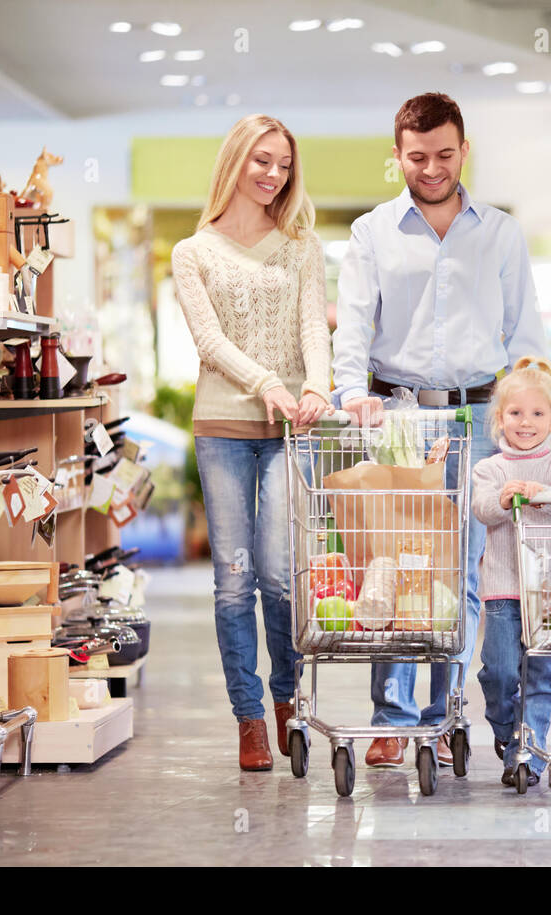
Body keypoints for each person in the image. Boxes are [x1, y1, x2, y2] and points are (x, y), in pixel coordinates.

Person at [332, 92, 546, 769]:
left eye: (444, 155)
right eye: (417, 157)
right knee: (392, 563)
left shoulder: (501, 233)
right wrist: (350, 393)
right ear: (397, 155)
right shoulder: (371, 232)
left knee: (464, 571)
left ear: (464, 151)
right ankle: (392, 719)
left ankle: (444, 712)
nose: (431, 169)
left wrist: (532, 418)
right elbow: (353, 324)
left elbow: (525, 333)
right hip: (397, 414)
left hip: (481, 417)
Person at [172, 115, 332, 772]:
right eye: (262, 160)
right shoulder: (193, 252)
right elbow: (209, 342)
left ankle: (287, 699)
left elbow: (313, 327)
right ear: (236, 160)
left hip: (292, 430)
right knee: (234, 582)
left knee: (280, 576)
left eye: (284, 165)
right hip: (223, 430)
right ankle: (249, 719)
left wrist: (316, 385)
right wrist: (265, 382)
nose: (273, 174)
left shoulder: (301, 246)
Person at [470, 357, 551, 790]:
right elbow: (482, 509)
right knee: (498, 671)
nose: (526, 422)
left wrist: (542, 494)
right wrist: (503, 499)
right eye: (516, 413)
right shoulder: (490, 469)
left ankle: (529, 755)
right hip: (503, 589)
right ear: (500, 418)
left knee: (541, 676)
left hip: (549, 591)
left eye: (537, 413)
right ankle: (507, 730)